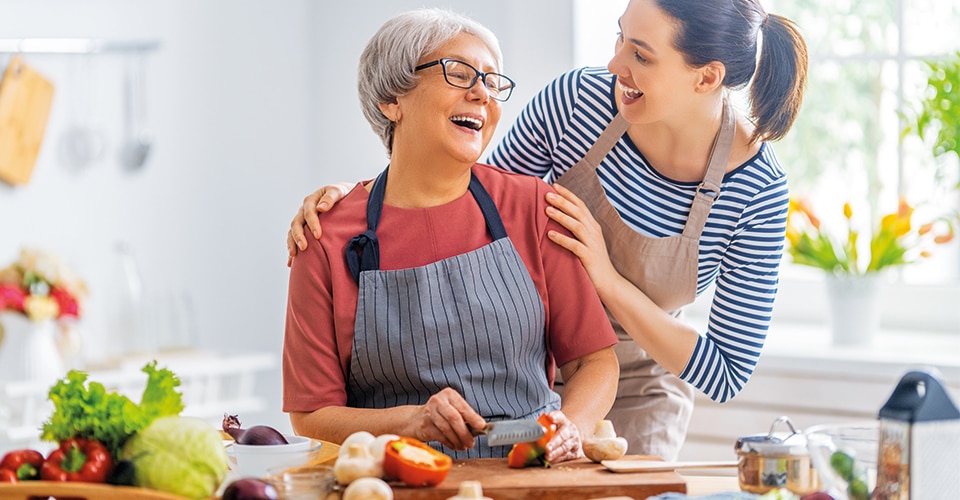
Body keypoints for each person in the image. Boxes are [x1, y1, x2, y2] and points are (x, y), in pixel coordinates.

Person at [287, 0, 807, 461]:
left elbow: (725, 372)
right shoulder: (579, 102)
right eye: (620, 37)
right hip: (523, 349)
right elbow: (463, 188)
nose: (615, 64)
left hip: (635, 376)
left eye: (642, 55)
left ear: (707, 78)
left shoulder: (757, 190)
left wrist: (606, 278)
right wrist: (359, 199)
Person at [281, 8, 620, 462]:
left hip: (533, 475)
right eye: (459, 74)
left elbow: (593, 362)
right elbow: (312, 415)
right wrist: (410, 422)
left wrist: (570, 428)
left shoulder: (536, 208)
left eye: (492, 82)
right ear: (392, 99)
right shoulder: (325, 236)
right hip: (399, 480)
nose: (482, 93)